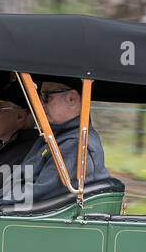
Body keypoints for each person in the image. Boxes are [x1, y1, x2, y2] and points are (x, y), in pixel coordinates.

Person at [8, 77, 109, 206]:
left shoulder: (73, 146)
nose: (40, 103)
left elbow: (38, 195)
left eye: (46, 97)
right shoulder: (55, 137)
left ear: (72, 99)